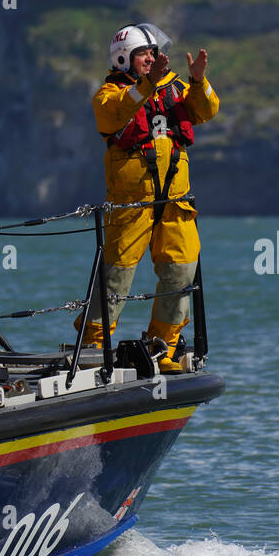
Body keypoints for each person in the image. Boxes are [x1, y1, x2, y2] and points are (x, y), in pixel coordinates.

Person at [85, 24, 219, 370]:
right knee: (116, 275)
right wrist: (146, 84)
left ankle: (163, 346)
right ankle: (92, 347)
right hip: (132, 204)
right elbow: (117, 112)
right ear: (123, 59)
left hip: (175, 202)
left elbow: (206, 111)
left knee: (181, 270)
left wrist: (200, 80)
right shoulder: (108, 95)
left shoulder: (175, 87)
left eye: (154, 52)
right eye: (144, 54)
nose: (152, 58)